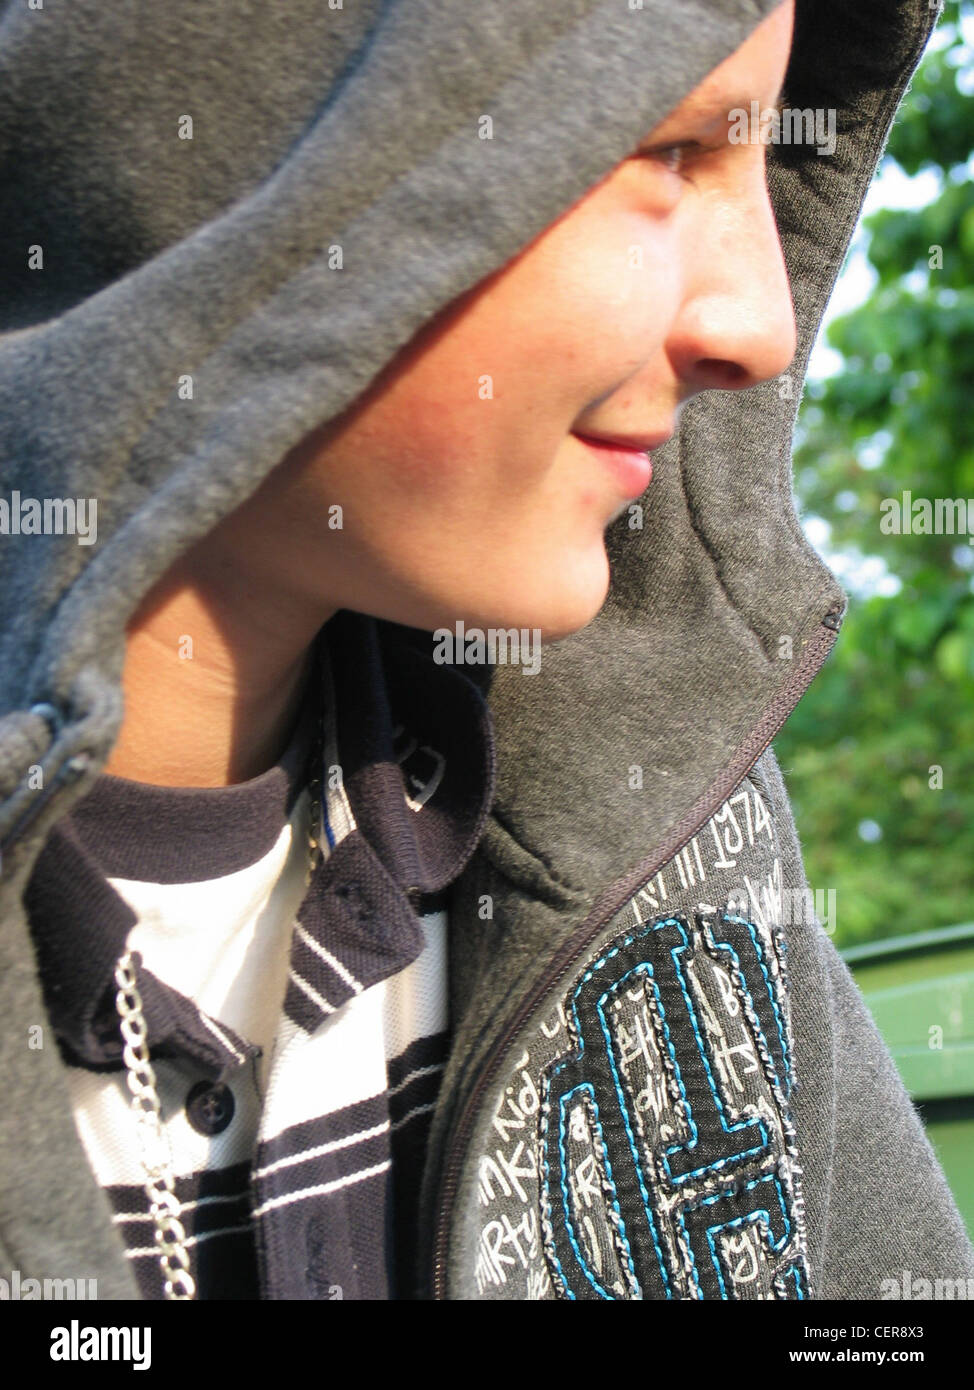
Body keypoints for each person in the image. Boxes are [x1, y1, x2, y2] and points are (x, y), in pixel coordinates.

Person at [0, 0, 971, 1302]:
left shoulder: (668, 826)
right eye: (668, 147)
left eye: (763, 159)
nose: (762, 326)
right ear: (236, 158)